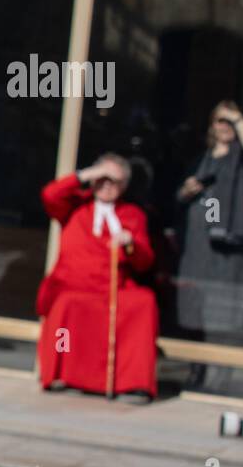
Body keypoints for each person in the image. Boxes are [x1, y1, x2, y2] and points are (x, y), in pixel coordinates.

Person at [36, 154, 158, 401]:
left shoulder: (132, 214)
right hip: (73, 285)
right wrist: (86, 174)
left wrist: (130, 242)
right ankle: (62, 373)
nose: (106, 185)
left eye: (114, 181)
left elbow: (145, 260)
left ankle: (132, 382)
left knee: (143, 304)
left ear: (124, 186)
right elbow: (50, 195)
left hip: (113, 287)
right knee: (66, 306)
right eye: (102, 179)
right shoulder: (75, 206)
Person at [174, 102, 243, 360]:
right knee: (195, 311)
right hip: (198, 247)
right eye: (219, 121)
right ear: (211, 125)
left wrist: (237, 118)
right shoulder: (201, 159)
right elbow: (177, 198)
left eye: (229, 122)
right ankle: (196, 367)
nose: (224, 126)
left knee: (223, 315)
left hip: (227, 249)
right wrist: (186, 191)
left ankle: (218, 373)